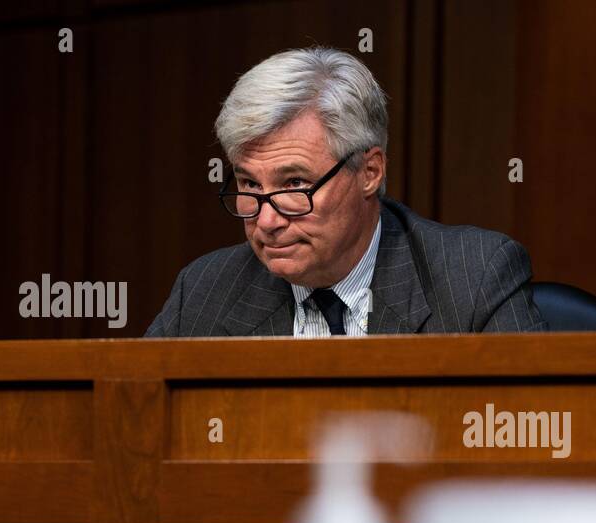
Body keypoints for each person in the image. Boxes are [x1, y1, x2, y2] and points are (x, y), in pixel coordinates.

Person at [145, 47, 544, 337]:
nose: (266, 221)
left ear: (369, 171)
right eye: (250, 184)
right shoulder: (202, 292)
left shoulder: (473, 279)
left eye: (295, 183)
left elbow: (533, 435)